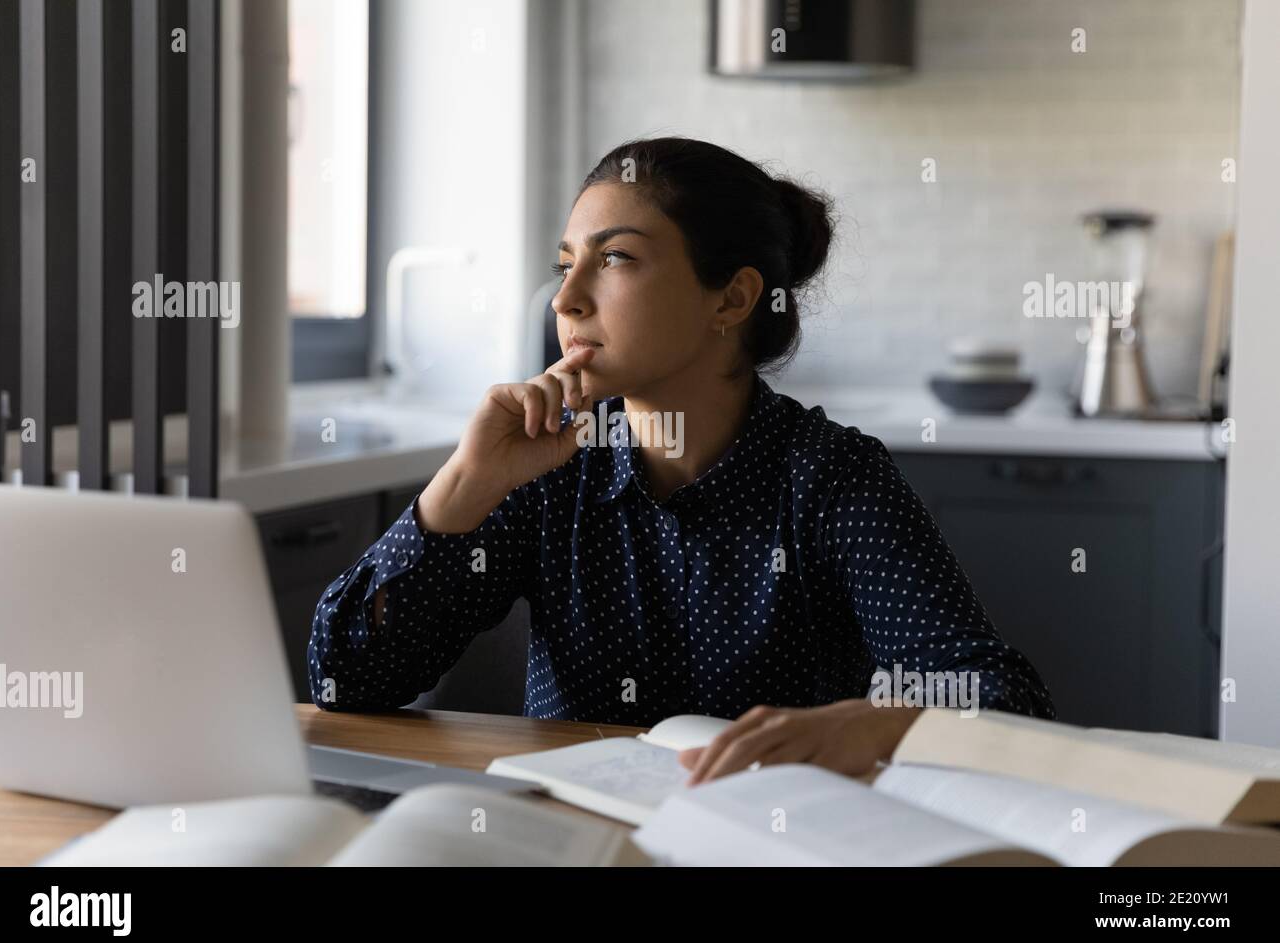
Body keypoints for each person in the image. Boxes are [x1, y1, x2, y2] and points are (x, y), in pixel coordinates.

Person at [308, 136, 1055, 785]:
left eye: (617, 259)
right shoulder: (547, 470)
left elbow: (1003, 698)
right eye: (567, 264)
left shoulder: (833, 477)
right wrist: (465, 484)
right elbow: (345, 680)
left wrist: (874, 726)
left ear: (731, 300)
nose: (566, 298)